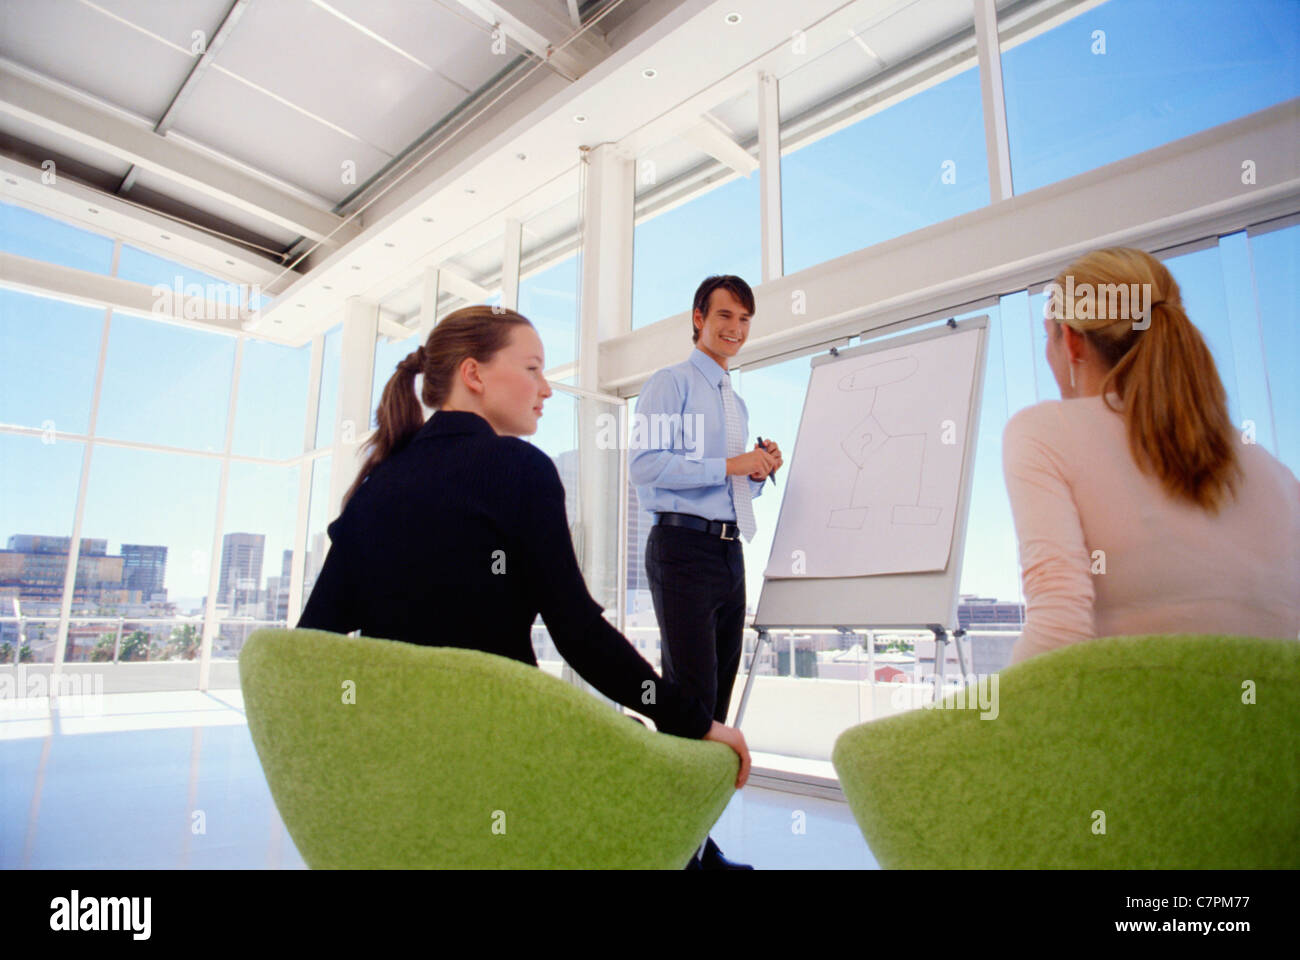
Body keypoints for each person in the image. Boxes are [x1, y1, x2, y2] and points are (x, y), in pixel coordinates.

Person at [297, 305, 751, 796]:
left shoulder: (376, 483)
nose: (546, 388)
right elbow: (577, 633)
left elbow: (310, 643)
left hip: (393, 774)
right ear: (473, 373)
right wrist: (696, 722)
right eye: (532, 368)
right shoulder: (519, 468)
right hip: (499, 762)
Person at [1002, 247, 1300, 665]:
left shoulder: (1044, 432)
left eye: (1047, 337)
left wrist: (990, 719)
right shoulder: (1277, 473)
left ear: (1070, 340)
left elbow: (1059, 630)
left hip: (1139, 720)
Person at [630, 275, 783, 870]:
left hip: (727, 551)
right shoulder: (670, 384)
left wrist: (758, 471)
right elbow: (647, 466)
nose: (735, 329)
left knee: (715, 709)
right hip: (681, 549)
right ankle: (672, 848)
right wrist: (731, 463)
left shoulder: (735, 402)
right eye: (725, 315)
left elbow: (727, 487)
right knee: (691, 704)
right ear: (698, 317)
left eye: (745, 319)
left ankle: (693, 841)